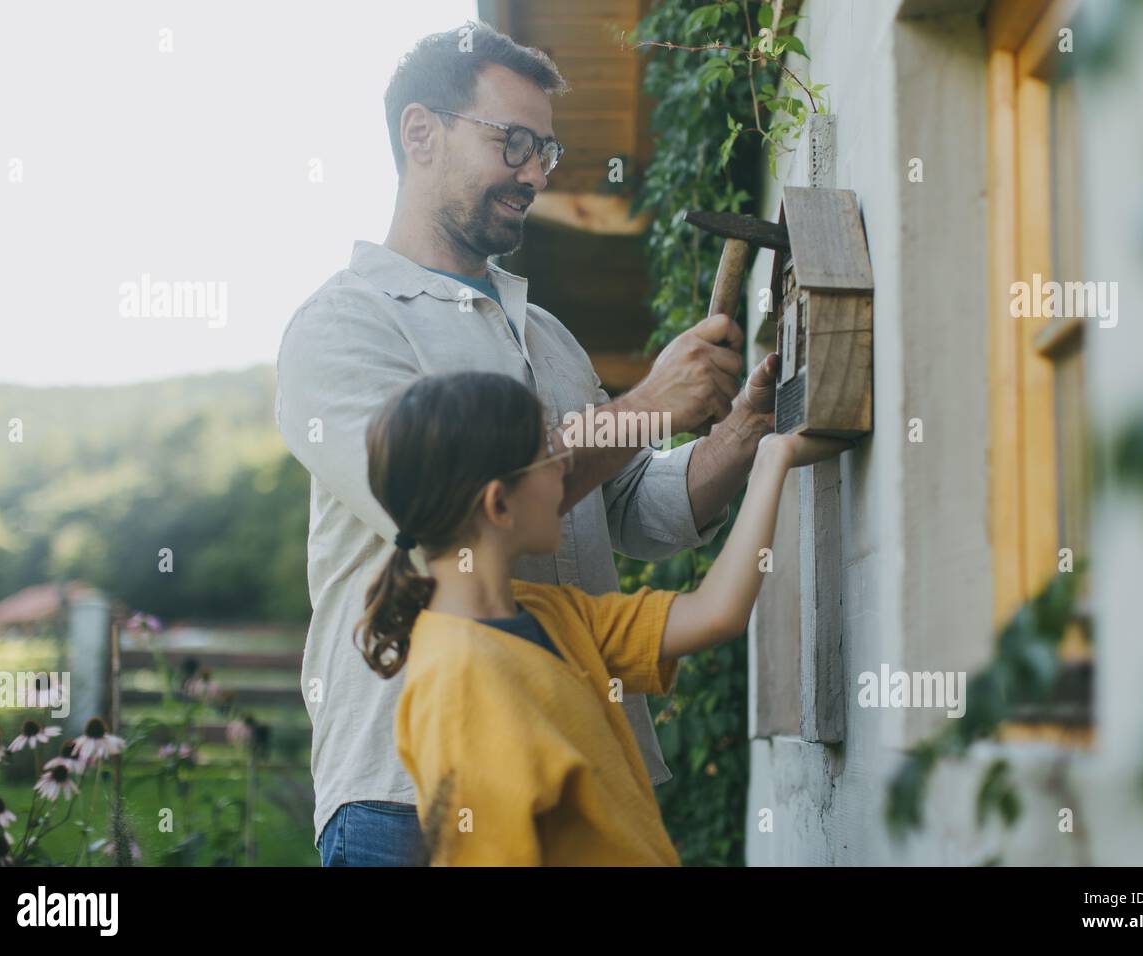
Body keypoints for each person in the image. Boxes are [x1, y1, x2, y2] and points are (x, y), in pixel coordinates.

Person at [275, 21, 781, 865]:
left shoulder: (548, 337)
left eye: (546, 149)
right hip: (410, 798)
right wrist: (649, 405)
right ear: (420, 133)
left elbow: (635, 513)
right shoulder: (343, 325)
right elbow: (430, 504)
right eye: (513, 142)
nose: (537, 173)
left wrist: (739, 435)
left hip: (582, 764)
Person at [355, 372, 846, 865]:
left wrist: (771, 458)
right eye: (548, 456)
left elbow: (715, 614)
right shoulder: (460, 681)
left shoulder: (548, 615)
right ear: (499, 504)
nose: (566, 472)